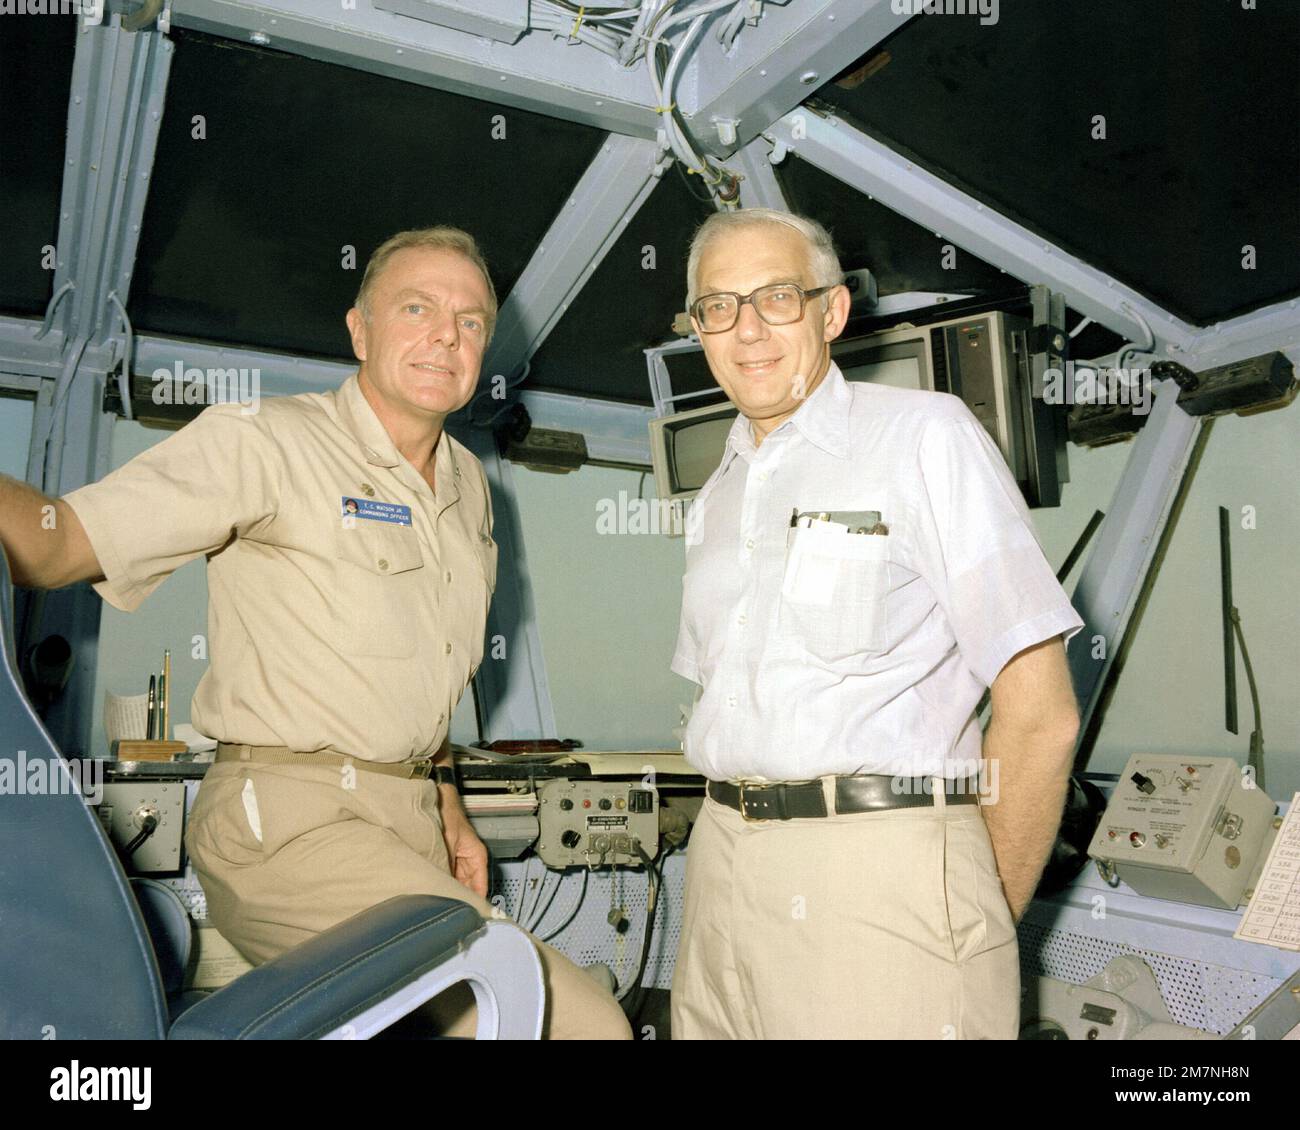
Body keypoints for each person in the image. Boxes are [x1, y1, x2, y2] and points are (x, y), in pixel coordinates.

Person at [0, 226, 630, 1040]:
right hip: (288, 823)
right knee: (575, 1022)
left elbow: (421, 676)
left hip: (404, 825)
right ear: (359, 331)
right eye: (418, 307)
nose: (448, 332)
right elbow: (54, 544)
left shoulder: (471, 487)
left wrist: (449, 809)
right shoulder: (267, 441)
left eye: (472, 320)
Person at [669, 208, 1084, 1040]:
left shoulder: (924, 436)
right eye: (718, 305)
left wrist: (967, 909)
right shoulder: (716, 497)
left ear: (832, 312)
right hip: (718, 870)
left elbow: (1042, 715)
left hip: (881, 870)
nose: (746, 328)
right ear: (699, 330)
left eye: (777, 297)